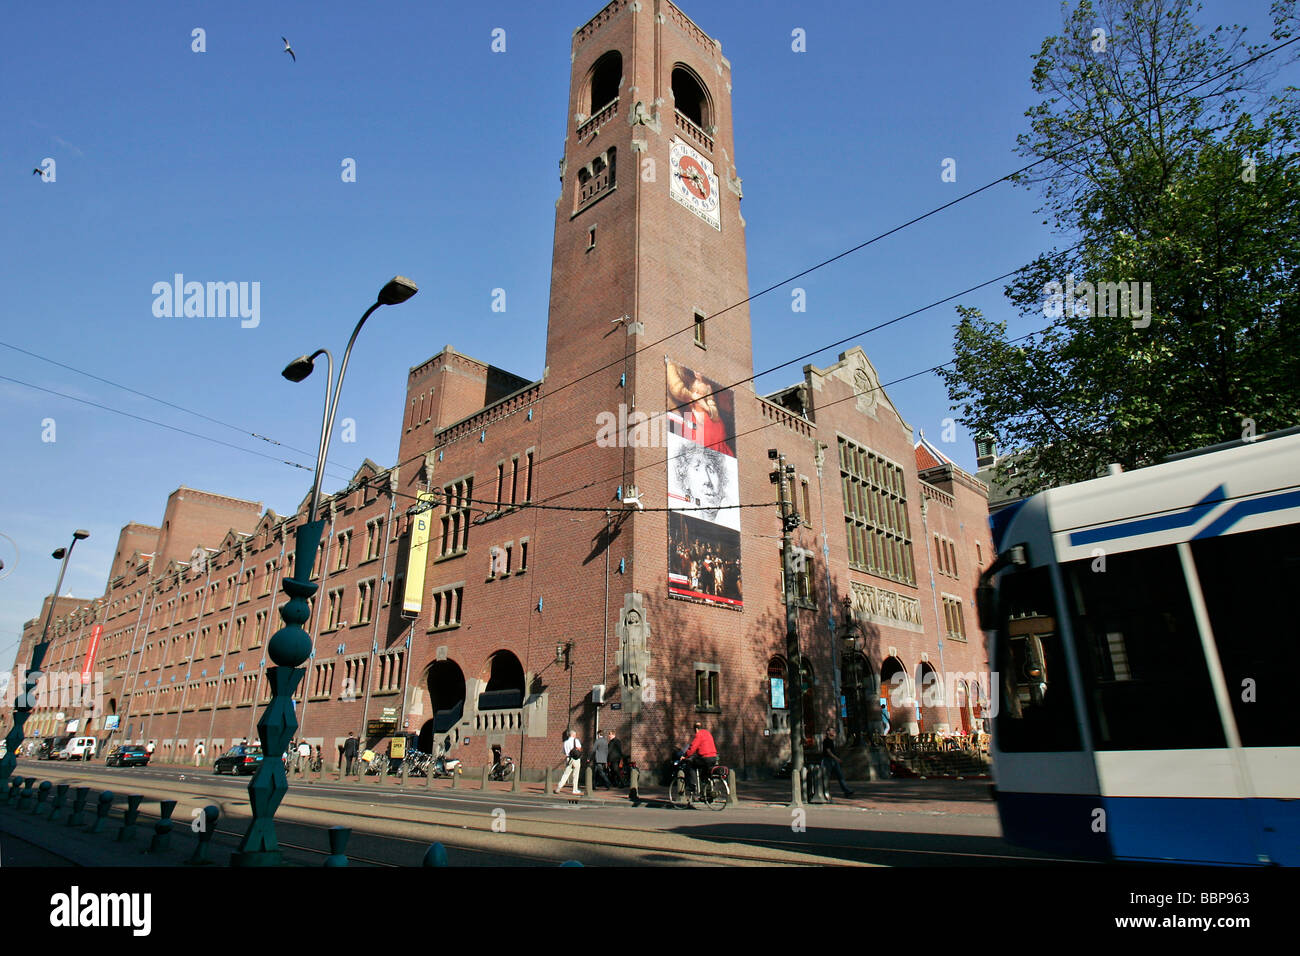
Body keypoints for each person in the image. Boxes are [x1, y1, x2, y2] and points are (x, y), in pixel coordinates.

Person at [682, 721, 718, 793]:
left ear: (696, 729)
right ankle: (706, 791)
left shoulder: (699, 735)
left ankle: (693, 785)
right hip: (714, 757)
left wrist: (685, 756)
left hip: (706, 758)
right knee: (704, 774)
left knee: (690, 764)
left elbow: (692, 747)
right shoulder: (708, 733)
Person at [821, 728, 854, 798]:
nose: (833, 732)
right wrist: (836, 758)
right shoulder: (826, 741)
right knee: (826, 777)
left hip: (833, 760)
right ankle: (825, 791)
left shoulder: (831, 740)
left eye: (834, 731)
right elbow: (828, 752)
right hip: (828, 760)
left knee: (840, 776)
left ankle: (847, 791)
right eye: (832, 731)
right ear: (828, 732)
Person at [556, 729, 583, 795]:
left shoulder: (565, 742)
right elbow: (580, 748)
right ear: (573, 735)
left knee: (566, 774)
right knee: (575, 775)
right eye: (575, 735)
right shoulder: (576, 741)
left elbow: (564, 752)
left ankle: (559, 787)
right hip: (576, 759)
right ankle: (575, 789)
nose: (576, 736)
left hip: (569, 759)